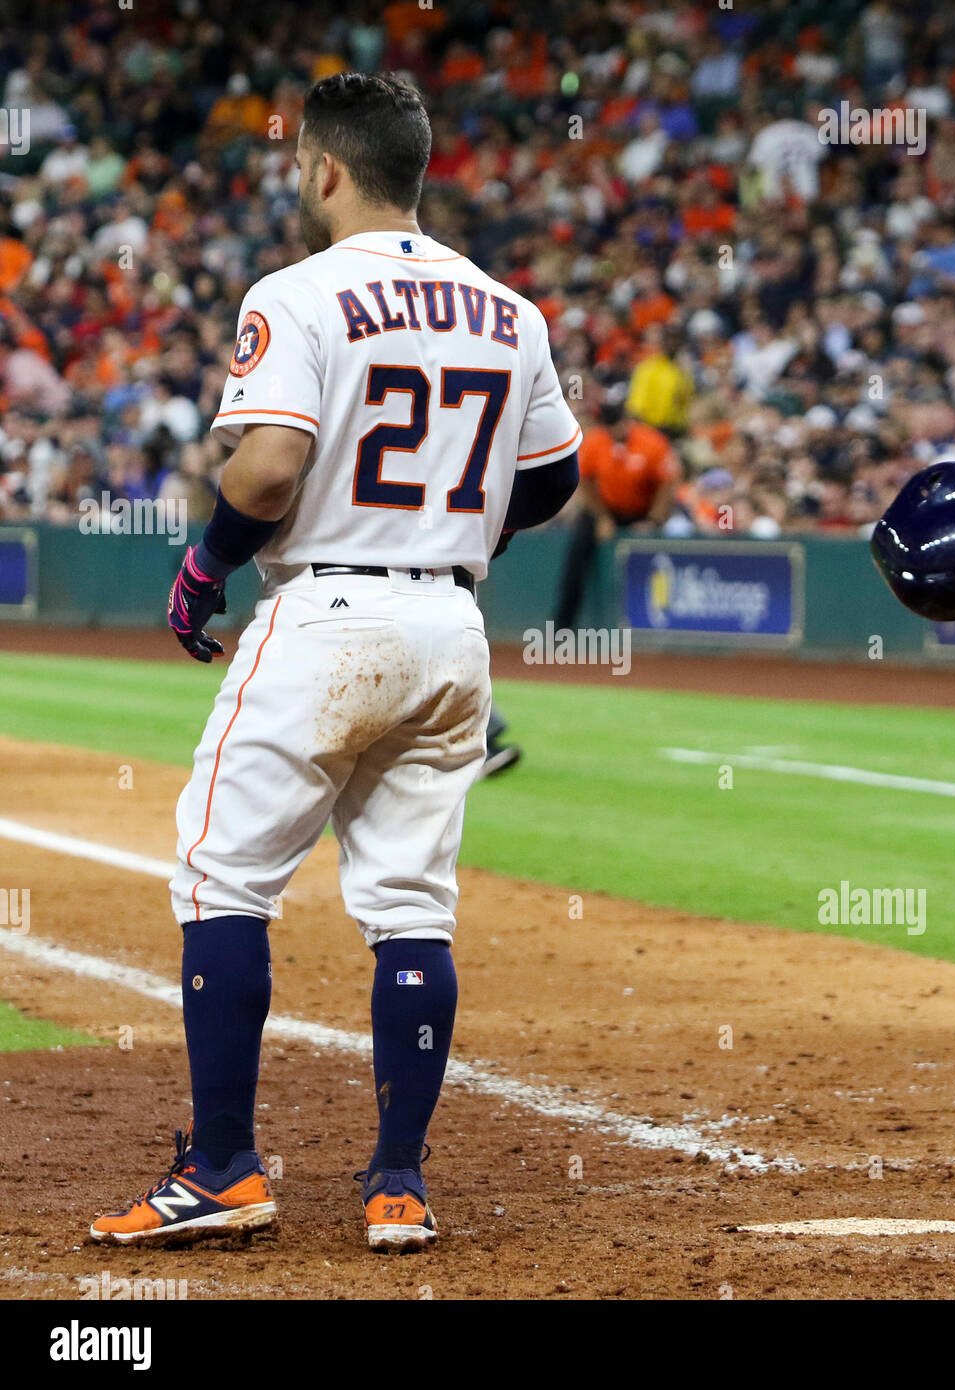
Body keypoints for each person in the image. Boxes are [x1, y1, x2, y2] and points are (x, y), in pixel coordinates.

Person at [90, 72, 579, 1254]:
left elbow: (265, 472)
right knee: (410, 905)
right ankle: (398, 1183)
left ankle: (221, 1169)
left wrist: (206, 563)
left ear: (322, 168)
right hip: (450, 631)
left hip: (326, 613)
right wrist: (457, 536)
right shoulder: (511, 311)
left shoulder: (299, 292)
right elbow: (557, 474)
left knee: (222, 879)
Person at [554, 400, 679, 630]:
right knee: (575, 558)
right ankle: (563, 628)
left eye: (618, 424)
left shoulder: (651, 442)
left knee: (655, 562)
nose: (615, 431)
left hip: (643, 511)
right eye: (610, 426)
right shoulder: (596, 441)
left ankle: (651, 625)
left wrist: (652, 521)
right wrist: (602, 517)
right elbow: (586, 481)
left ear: (627, 421)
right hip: (606, 508)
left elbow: (667, 485)